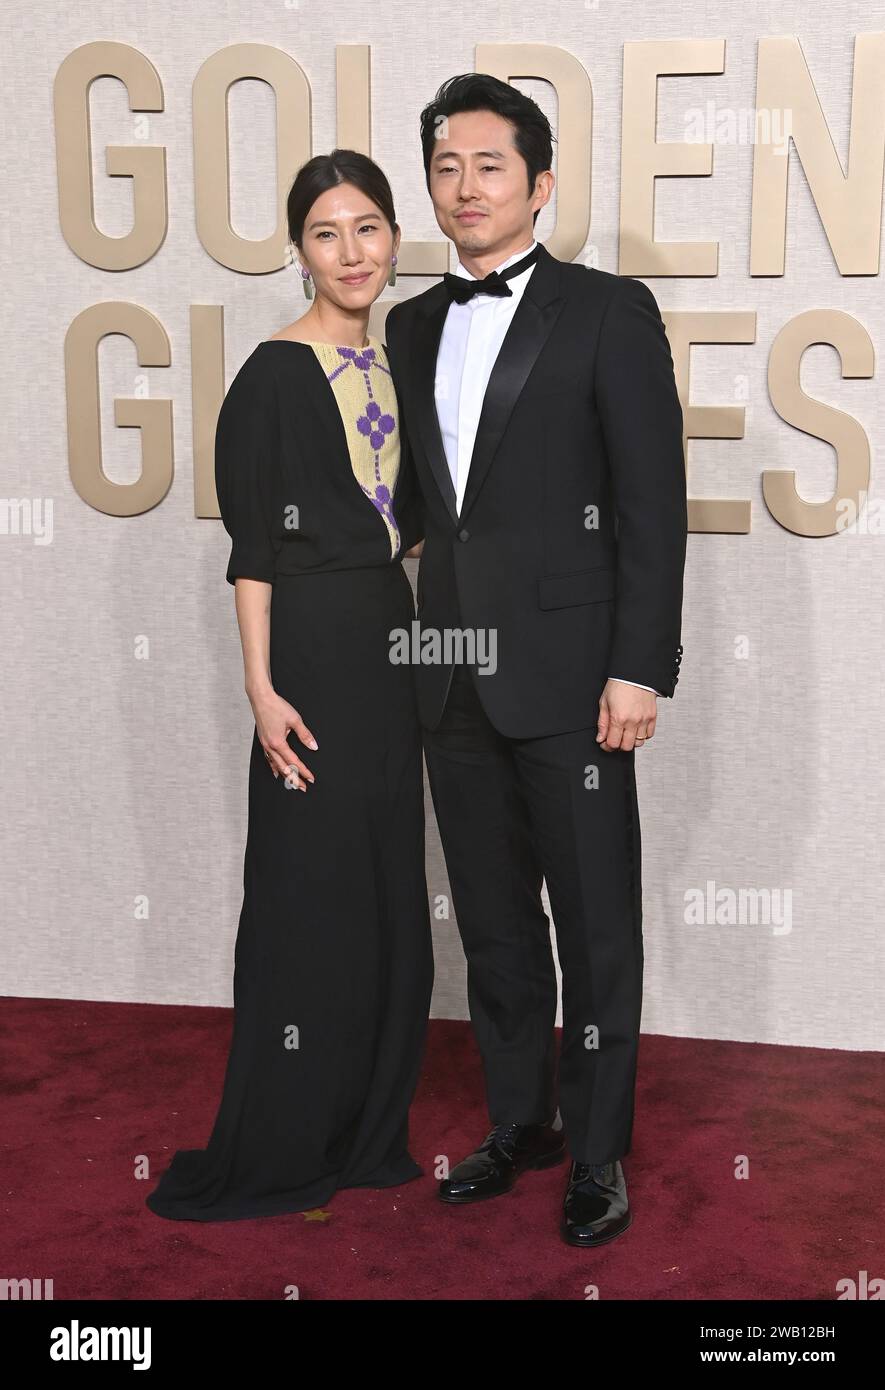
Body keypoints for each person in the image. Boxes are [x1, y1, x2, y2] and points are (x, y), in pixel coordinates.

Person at [384, 75, 687, 1247]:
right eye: (447, 167)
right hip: (451, 666)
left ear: (540, 183)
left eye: (490, 165)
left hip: (576, 678)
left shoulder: (609, 311)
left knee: (596, 921)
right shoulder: (411, 326)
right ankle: (523, 1122)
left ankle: (599, 1150)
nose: (466, 186)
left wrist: (639, 667)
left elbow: (651, 505)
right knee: (496, 924)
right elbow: (419, 507)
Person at [146, 152, 433, 1222]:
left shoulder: (401, 363)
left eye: (368, 228)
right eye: (326, 232)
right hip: (307, 660)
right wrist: (260, 691)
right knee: (308, 894)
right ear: (298, 249)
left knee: (383, 886)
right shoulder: (271, 375)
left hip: (389, 655)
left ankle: (367, 1127)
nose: (351, 252)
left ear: (395, 238)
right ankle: (288, 1125)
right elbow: (255, 555)